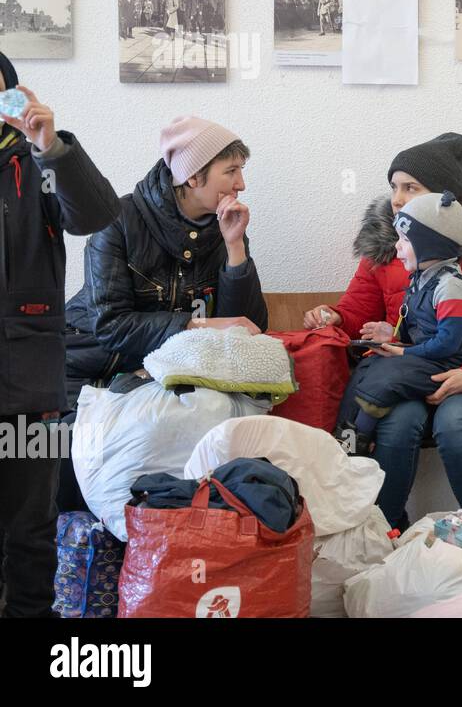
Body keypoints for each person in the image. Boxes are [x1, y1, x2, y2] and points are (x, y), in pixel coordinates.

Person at [306, 133, 462, 528]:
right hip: (411, 377)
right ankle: (383, 533)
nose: (397, 198)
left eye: (410, 187)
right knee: (397, 423)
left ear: (444, 198)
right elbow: (357, 307)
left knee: (455, 421)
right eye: (394, 186)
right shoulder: (387, 241)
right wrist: (333, 317)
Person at [0, 51, 119, 617]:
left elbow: (96, 214)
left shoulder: (35, 163)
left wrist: (52, 146)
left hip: (30, 381)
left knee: (31, 529)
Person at [64, 115, 267, 394]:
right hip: (87, 374)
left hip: (161, 378)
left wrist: (235, 248)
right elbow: (111, 326)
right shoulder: (118, 221)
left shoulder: (227, 227)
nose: (241, 184)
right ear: (193, 176)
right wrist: (196, 325)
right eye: (231, 171)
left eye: (241, 170)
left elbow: (246, 330)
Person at [335, 191, 462, 454]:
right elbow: (414, 329)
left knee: (387, 376)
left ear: (430, 245)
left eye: (404, 240)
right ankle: (343, 434)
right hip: (427, 357)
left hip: (452, 365)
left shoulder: (451, 288)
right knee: (370, 363)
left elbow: (446, 345)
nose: (396, 246)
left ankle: (356, 442)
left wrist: (403, 351)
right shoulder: (421, 280)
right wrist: (391, 338)